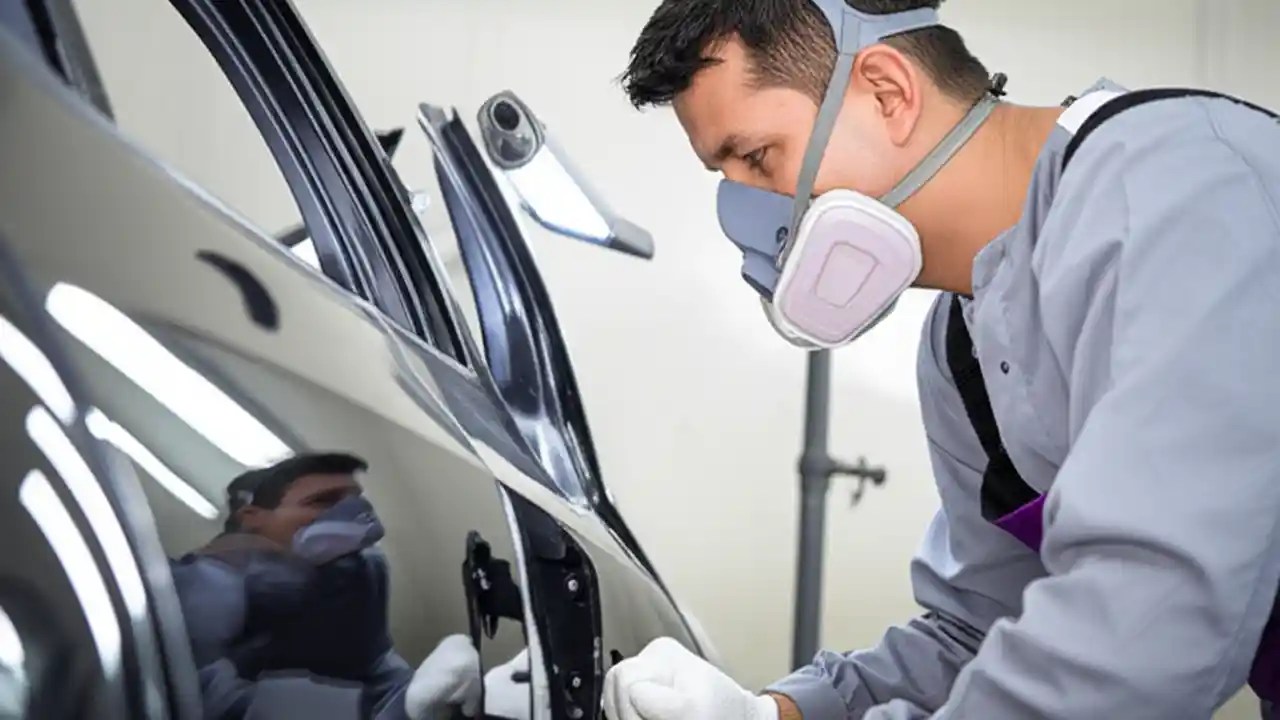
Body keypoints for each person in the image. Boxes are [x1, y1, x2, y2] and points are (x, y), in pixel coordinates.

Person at [602, 1, 1280, 719]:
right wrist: (776, 713)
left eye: (758, 158)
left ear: (888, 92)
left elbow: (1148, 623)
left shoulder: (1182, 189)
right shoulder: (960, 345)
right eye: (727, 178)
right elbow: (980, 627)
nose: (751, 216)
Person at [168, 452, 526, 720]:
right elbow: (209, 702)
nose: (353, 512)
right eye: (321, 502)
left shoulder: (359, 574)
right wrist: (391, 709)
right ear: (252, 518)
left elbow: (378, 668)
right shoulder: (209, 583)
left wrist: (449, 693)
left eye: (352, 497)